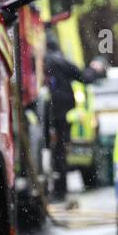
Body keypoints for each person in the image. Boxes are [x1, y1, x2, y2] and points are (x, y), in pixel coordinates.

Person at [43, 28, 104, 203]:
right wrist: (95, 70)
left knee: (56, 152)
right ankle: (59, 191)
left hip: (46, 116)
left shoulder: (44, 62)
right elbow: (83, 76)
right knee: (60, 151)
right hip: (60, 115)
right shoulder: (60, 61)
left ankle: (56, 190)